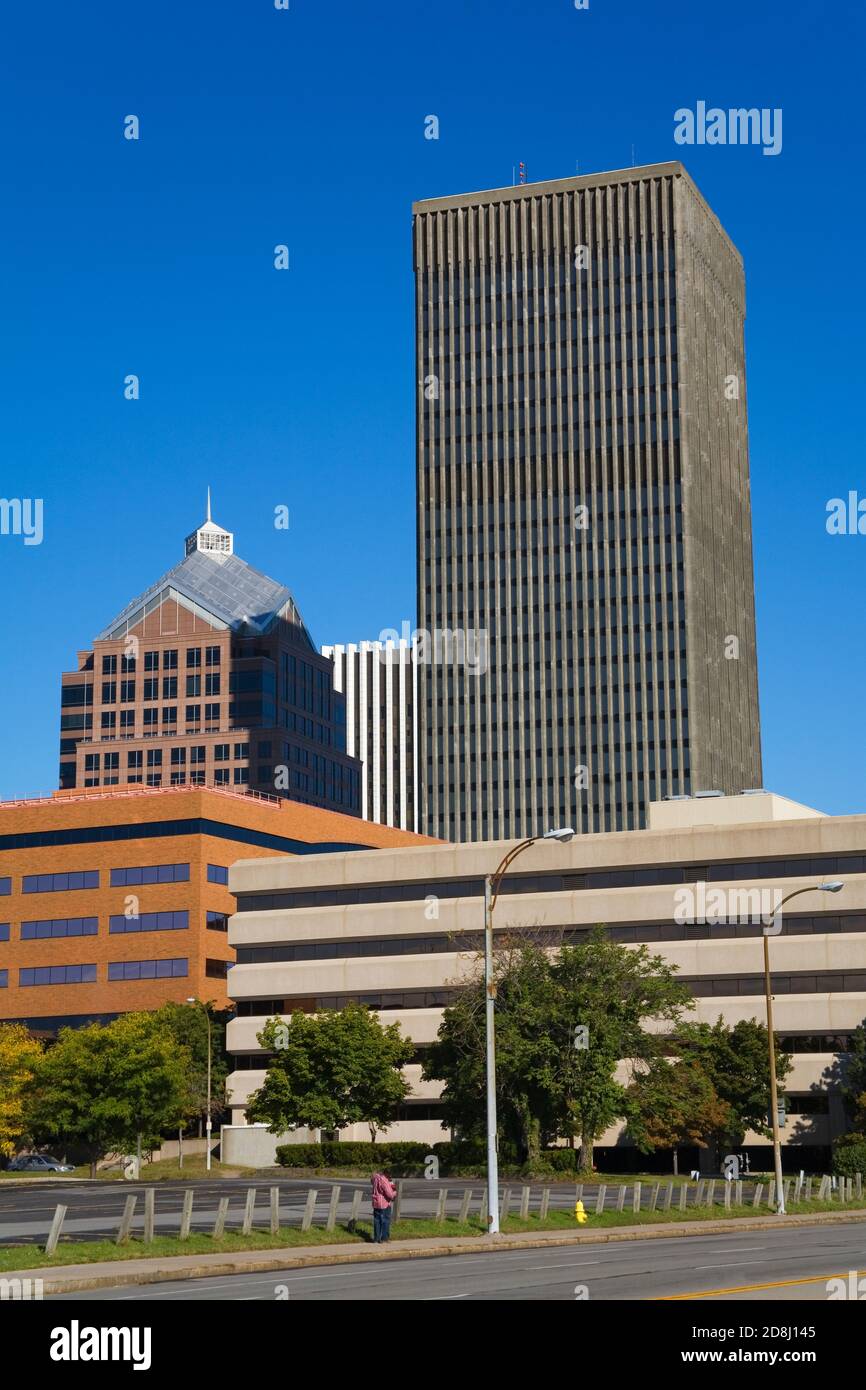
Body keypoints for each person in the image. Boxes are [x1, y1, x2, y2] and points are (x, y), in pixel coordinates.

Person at [371, 1170, 397, 1243]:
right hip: (384, 1203)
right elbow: (389, 1193)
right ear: (387, 1174)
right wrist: (394, 1193)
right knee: (385, 1221)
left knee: (377, 1221)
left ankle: (376, 1238)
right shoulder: (384, 1180)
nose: (390, 1177)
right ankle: (384, 1238)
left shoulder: (375, 1178)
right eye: (389, 1175)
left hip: (376, 1203)